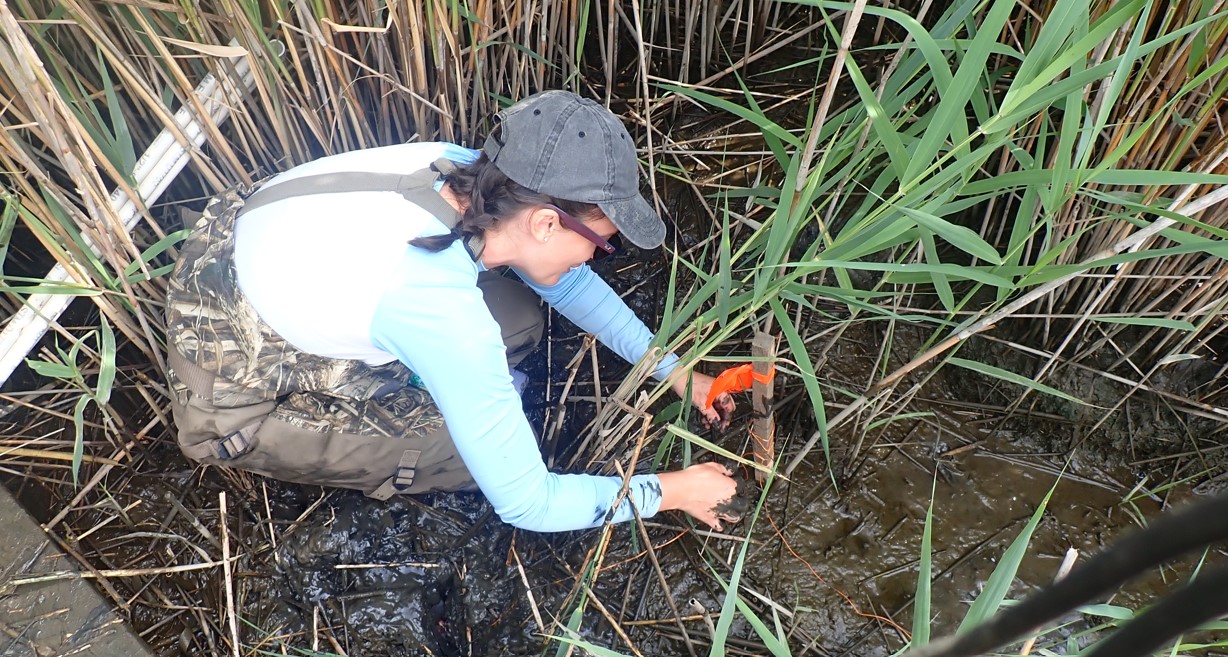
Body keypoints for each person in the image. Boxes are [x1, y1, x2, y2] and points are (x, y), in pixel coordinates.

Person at [164, 90, 740, 533]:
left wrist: (673, 371)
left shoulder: (465, 169)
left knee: (519, 318)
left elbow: (569, 286)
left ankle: (400, 373)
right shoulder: (440, 310)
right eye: (602, 242)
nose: (595, 256)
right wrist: (673, 491)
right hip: (232, 371)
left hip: (264, 250)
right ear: (545, 223)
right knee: (463, 457)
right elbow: (529, 502)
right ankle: (245, 432)